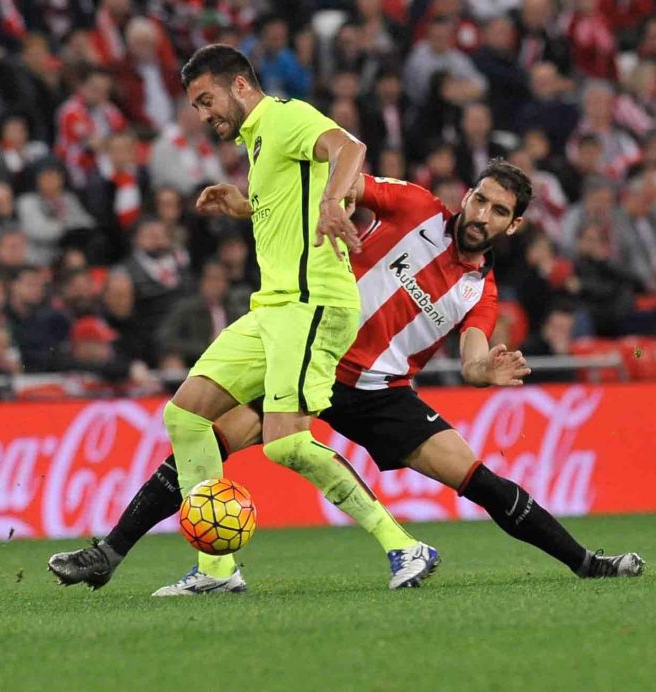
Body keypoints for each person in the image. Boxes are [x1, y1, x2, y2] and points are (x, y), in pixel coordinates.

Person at [50, 162, 644, 597]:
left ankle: (586, 563)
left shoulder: (479, 292)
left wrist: (485, 371)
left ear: (513, 227)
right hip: (310, 353)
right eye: (480, 200)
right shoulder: (414, 206)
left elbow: (471, 359)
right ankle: (111, 553)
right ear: (466, 196)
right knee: (202, 437)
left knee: (480, 481)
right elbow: (331, 189)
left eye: (498, 212)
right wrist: (252, 204)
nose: (482, 216)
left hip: (380, 393)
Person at [49, 44, 438, 593]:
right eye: (195, 106)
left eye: (206, 100)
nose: (203, 114)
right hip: (272, 308)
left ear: (238, 85)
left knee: (286, 443)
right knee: (185, 416)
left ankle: (404, 545)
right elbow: (288, 204)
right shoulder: (256, 142)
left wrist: (333, 201)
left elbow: (349, 147)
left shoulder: (283, 116)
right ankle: (216, 569)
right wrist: (246, 205)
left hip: (312, 303)